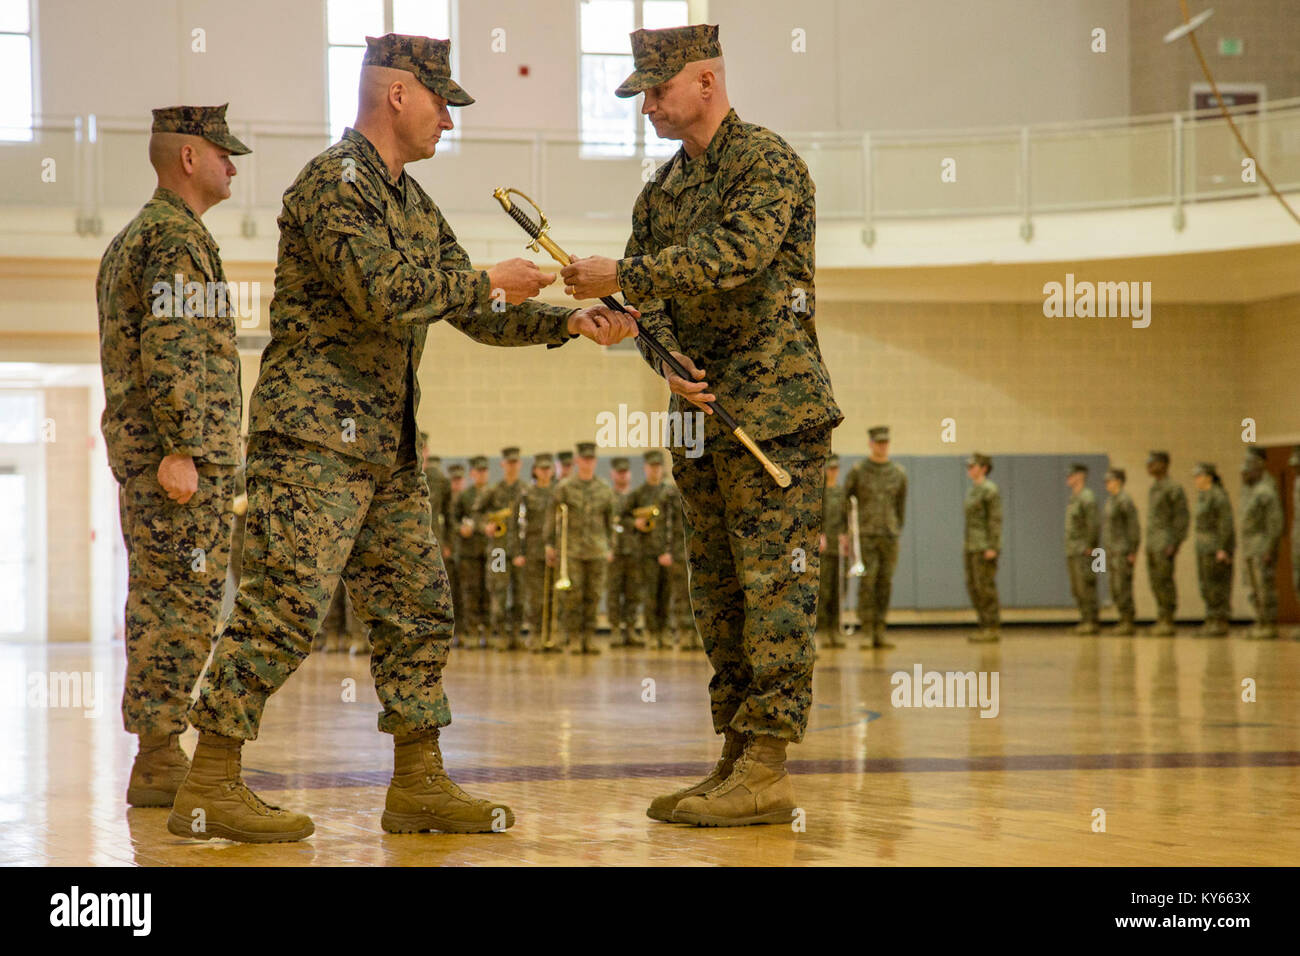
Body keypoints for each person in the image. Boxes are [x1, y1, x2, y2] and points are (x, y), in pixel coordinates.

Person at [166, 34, 635, 843]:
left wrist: (570, 322)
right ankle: (207, 783)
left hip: (385, 450)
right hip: (312, 441)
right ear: (397, 96)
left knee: (419, 611)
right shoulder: (332, 184)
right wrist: (487, 276)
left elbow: (467, 308)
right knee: (281, 610)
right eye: (443, 102)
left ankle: (417, 782)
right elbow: (385, 294)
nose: (449, 120)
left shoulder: (412, 203)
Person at [561, 23, 842, 826]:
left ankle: (769, 761)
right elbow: (645, 306)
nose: (647, 106)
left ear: (707, 82)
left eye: (656, 90)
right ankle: (733, 754)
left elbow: (737, 256)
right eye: (641, 94)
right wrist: (653, 349)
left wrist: (629, 276)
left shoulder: (767, 163)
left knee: (774, 588)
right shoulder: (661, 192)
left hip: (773, 413)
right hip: (699, 421)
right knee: (718, 592)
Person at [97, 104, 250, 808]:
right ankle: (159, 755)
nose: (233, 166)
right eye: (223, 154)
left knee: (169, 601)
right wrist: (184, 447)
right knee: (177, 607)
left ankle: (158, 751)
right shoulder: (173, 239)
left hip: (161, 457)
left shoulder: (145, 236)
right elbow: (174, 345)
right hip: (178, 463)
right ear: (189, 157)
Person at [545, 442, 615, 654]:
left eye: (591, 459)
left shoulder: (604, 489)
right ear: (577, 461)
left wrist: (610, 546)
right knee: (573, 597)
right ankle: (574, 638)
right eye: (583, 459)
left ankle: (589, 638)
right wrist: (549, 544)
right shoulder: (564, 487)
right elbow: (552, 517)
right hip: (572, 551)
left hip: (597, 550)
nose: (587, 462)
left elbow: (610, 520)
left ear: (594, 461)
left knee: (593, 596)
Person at [844, 426, 906, 649]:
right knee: (868, 583)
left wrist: (895, 528)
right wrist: (847, 535)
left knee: (885, 583)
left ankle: (880, 630)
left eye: (885, 443)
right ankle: (867, 631)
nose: (882, 446)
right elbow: (846, 502)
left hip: (889, 535)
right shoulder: (858, 471)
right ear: (870, 443)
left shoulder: (898, 473)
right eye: (878, 442)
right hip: (866, 535)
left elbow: (900, 508)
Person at [475, 446, 527, 650]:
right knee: (499, 594)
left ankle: (516, 634)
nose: (512, 467)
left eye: (515, 463)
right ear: (503, 464)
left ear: (520, 464)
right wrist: (484, 526)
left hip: (520, 550)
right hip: (498, 552)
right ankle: (501, 635)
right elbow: (476, 513)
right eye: (509, 463)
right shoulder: (493, 491)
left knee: (521, 595)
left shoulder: (526, 491)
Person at [625, 449, 677, 650]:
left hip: (667, 552)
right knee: (649, 596)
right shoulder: (638, 494)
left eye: (658, 467)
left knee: (666, 594)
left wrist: (671, 551)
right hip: (646, 553)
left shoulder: (670, 492)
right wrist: (634, 523)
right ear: (645, 468)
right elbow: (621, 517)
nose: (655, 470)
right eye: (651, 467)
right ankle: (651, 632)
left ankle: (664, 632)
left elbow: (677, 522)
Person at [1239, 452, 1283, 640]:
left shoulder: (1266, 491)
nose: (1245, 470)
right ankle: (1260, 621)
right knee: (1253, 587)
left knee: (1265, 587)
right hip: (1250, 547)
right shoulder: (1249, 490)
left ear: (1260, 465)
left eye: (1249, 465)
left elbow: (1274, 522)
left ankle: (1269, 624)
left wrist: (1269, 548)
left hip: (1261, 546)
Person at [1145, 451, 1190, 636]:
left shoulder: (1173, 488)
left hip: (1165, 542)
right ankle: (1161, 617)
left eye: (1153, 463)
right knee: (1155, 582)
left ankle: (1168, 619)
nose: (1148, 466)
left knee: (1165, 582)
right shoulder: (1154, 488)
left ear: (1164, 464)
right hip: (1153, 542)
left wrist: (1175, 542)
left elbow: (1181, 517)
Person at [520, 452, 560, 651]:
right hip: (534, 549)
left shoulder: (560, 492)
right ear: (535, 471)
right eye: (541, 469)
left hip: (556, 550)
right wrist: (519, 551)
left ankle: (554, 635)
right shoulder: (527, 493)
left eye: (548, 468)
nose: (545, 472)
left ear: (553, 471)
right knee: (535, 596)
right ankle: (536, 634)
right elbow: (519, 525)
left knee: (555, 595)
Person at [1191, 463, 1234, 637]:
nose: (1196, 480)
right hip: (1203, 547)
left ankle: (1220, 621)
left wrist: (1224, 547)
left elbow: (1225, 524)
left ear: (1209, 477)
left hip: (1215, 547)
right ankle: (1211, 619)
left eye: (1198, 476)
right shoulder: (1203, 496)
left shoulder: (1218, 496)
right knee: (1206, 585)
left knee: (1217, 585)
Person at [964, 453, 1002, 643]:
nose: (969, 470)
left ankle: (992, 627)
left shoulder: (990, 490)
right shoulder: (973, 490)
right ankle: (983, 625)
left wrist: (993, 546)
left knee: (986, 587)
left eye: (973, 466)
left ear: (984, 468)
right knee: (974, 587)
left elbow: (995, 520)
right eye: (968, 467)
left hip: (984, 546)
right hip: (971, 545)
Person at [1102, 468, 1140, 635]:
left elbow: (1133, 526)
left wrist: (1132, 550)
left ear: (1118, 481)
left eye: (1109, 481)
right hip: (1111, 551)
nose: (1106, 484)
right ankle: (1122, 619)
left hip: (1123, 550)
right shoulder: (1111, 500)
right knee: (1115, 587)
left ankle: (1128, 621)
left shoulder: (1125, 500)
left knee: (1123, 586)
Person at [607, 456, 640, 647]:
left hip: (634, 551)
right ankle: (614, 630)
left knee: (633, 593)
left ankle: (630, 629)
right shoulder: (608, 495)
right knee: (613, 593)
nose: (622, 475)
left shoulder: (636, 497)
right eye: (619, 472)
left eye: (625, 472)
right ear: (613, 474)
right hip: (615, 552)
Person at [1064, 463, 1100, 635]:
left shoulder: (1087, 497)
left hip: (1084, 550)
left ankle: (1091, 621)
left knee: (1086, 586)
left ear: (1080, 476)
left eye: (1071, 475)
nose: (1068, 478)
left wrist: (1091, 546)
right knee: (1077, 588)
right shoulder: (1075, 497)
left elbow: (1093, 524)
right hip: (1073, 549)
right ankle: (1085, 619)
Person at [815, 455, 846, 648]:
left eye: (835, 469)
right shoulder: (820, 493)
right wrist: (819, 534)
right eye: (829, 469)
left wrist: (846, 535)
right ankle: (824, 630)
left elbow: (847, 519)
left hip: (839, 547)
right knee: (824, 590)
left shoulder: (842, 493)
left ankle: (836, 630)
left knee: (837, 590)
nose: (832, 472)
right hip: (823, 548)